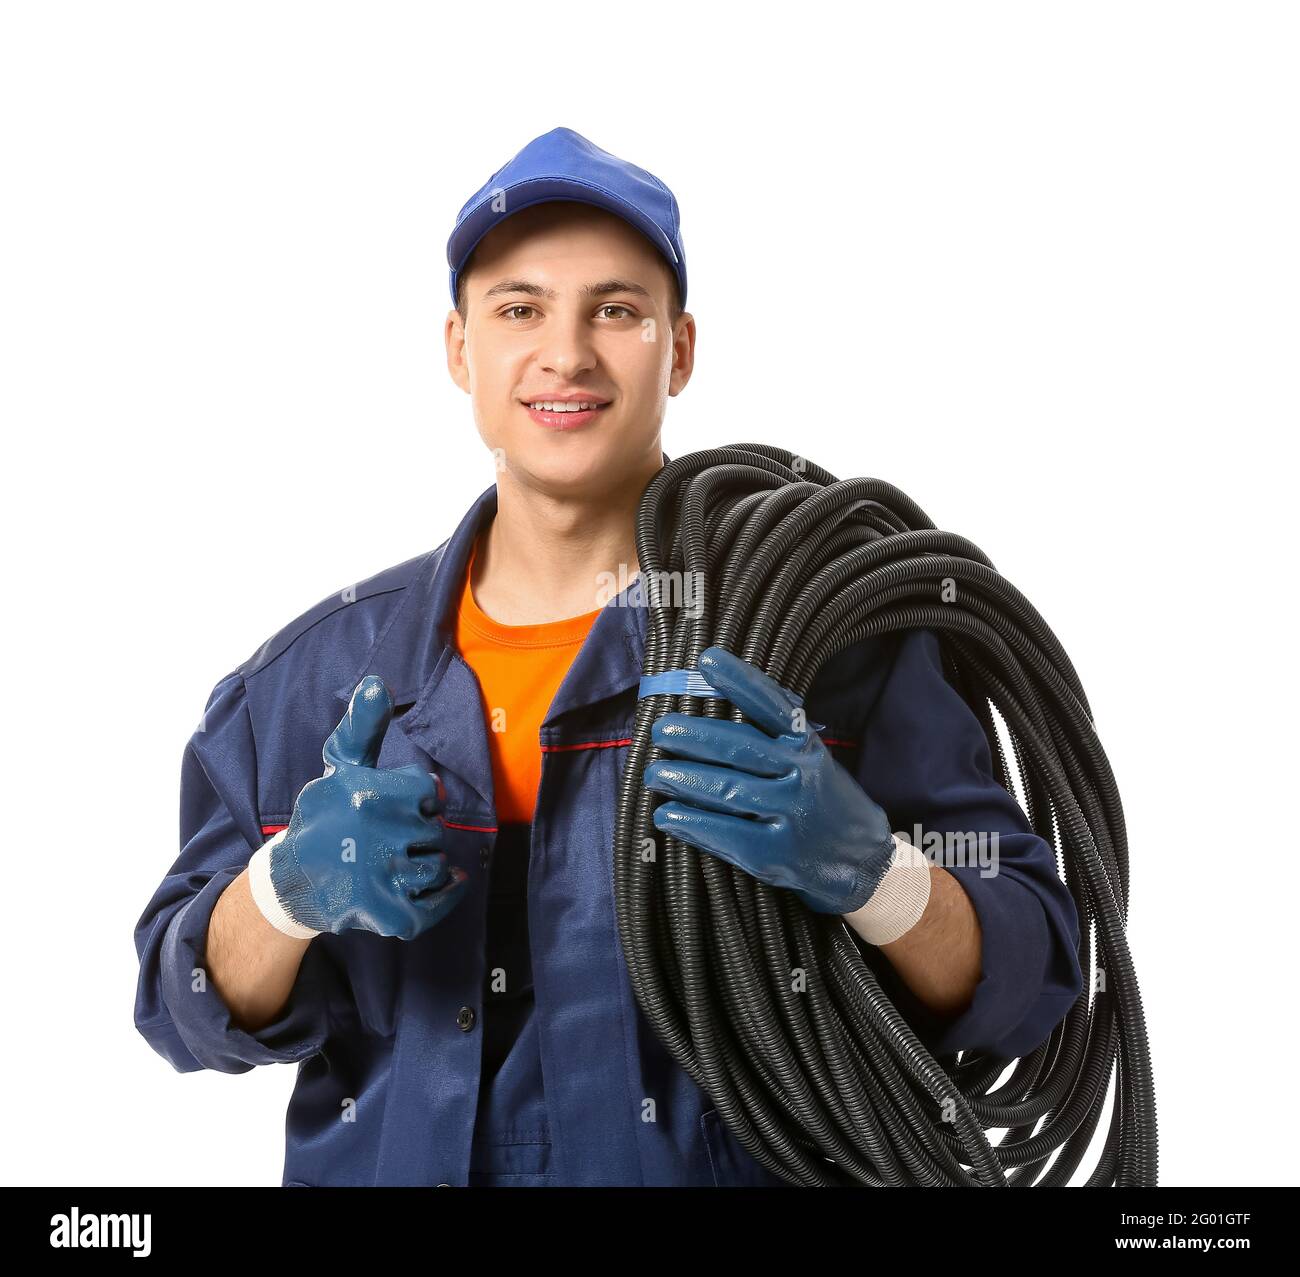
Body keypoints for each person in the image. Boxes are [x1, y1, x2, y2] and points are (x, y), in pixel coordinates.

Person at [133, 126, 1084, 1187]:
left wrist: (874, 872)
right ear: (460, 349)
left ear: (678, 348)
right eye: (520, 308)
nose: (567, 354)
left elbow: (1036, 967)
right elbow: (180, 1008)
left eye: (617, 309)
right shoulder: (308, 681)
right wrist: (283, 894)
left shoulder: (834, 643)